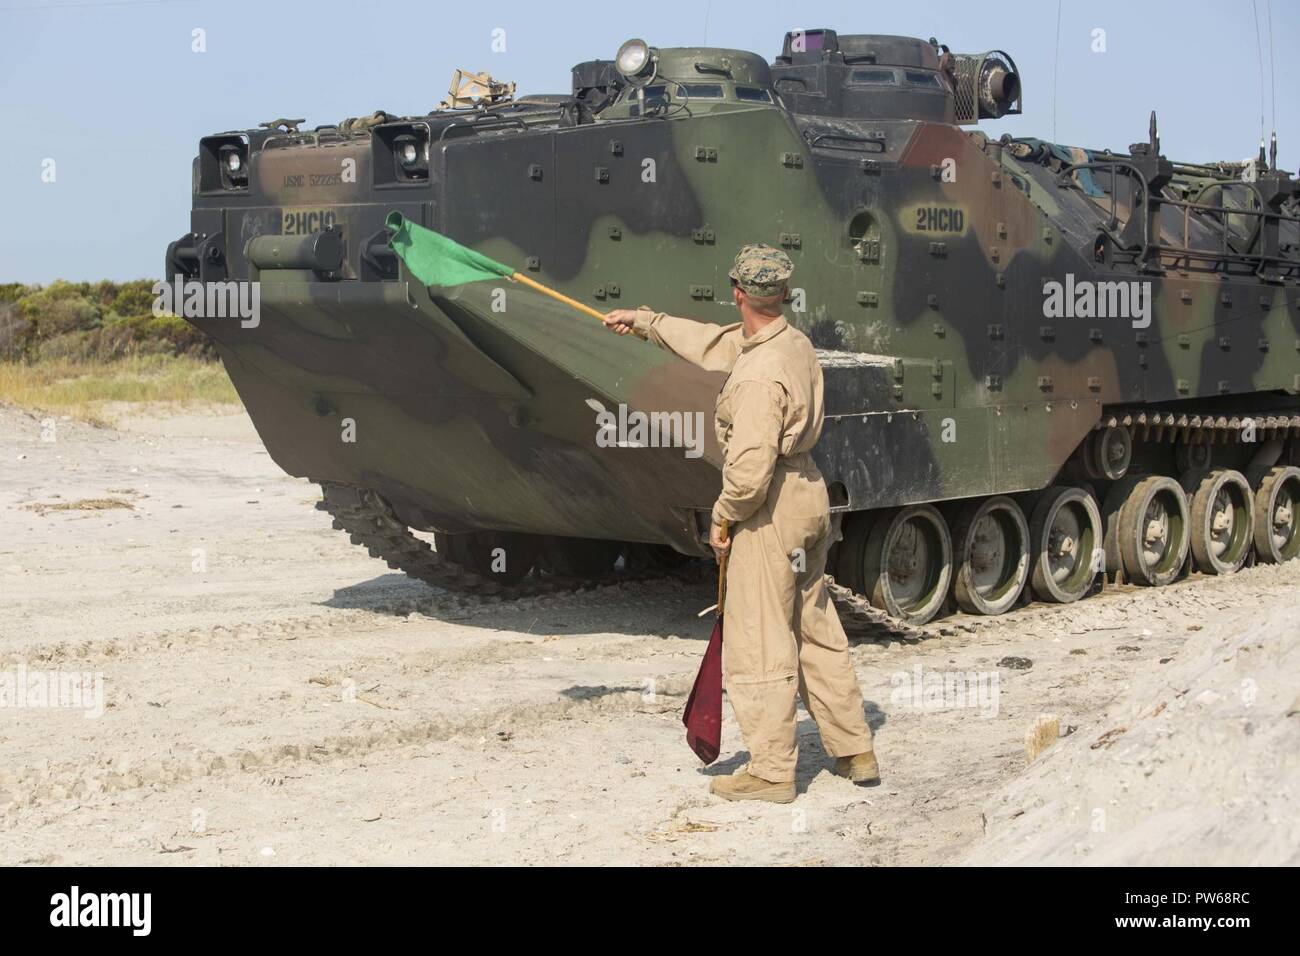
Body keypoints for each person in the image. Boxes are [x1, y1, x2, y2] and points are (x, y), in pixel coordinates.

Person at [603, 244, 879, 803]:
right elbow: (717, 342)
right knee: (813, 627)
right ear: (782, 294)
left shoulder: (757, 377)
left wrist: (724, 516)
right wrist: (647, 323)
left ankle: (773, 772)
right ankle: (855, 749)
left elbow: (750, 471)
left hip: (769, 507)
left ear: (737, 291)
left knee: (758, 638)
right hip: (804, 497)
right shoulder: (788, 343)